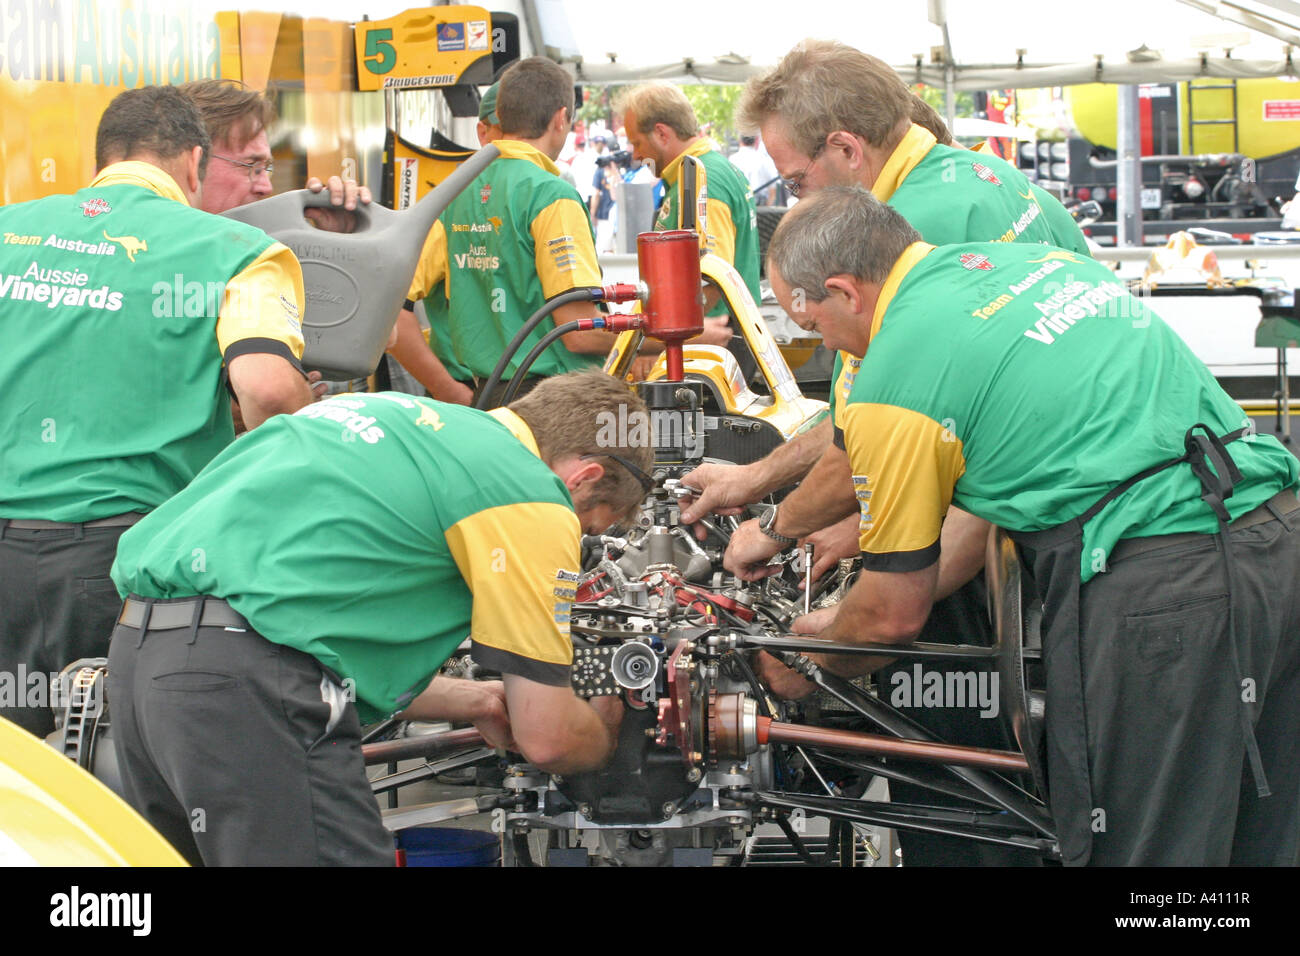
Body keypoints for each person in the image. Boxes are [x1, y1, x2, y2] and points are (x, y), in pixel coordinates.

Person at [755, 185, 1300, 867]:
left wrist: (809, 655)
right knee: (1265, 838)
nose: (819, 341)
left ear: (845, 291)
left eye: (809, 320)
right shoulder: (1032, 265)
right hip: (1276, 543)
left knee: (1145, 856)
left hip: (1166, 592)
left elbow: (889, 618)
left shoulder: (894, 376)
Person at [106, 370, 650, 866]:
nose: (575, 534)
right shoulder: (528, 493)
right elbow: (549, 739)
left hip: (140, 662)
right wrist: (605, 736)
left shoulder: (386, 415)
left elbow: (299, 623)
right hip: (245, 691)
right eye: (589, 525)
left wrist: (475, 698)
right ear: (583, 477)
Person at [0, 86, 314, 737]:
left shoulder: (11, 232)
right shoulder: (236, 251)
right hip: (125, 561)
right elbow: (270, 390)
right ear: (194, 161)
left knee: (19, 800)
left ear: (103, 159)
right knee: (127, 785)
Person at [617, 83, 762, 314]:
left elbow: (712, 279)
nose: (636, 155)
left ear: (662, 133)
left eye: (637, 143)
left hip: (713, 339)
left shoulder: (702, 181)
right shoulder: (707, 171)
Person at [730, 134, 779, 206]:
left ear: (740, 141)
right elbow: (773, 190)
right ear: (756, 140)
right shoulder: (764, 160)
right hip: (761, 206)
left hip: (739, 205)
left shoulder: (732, 160)